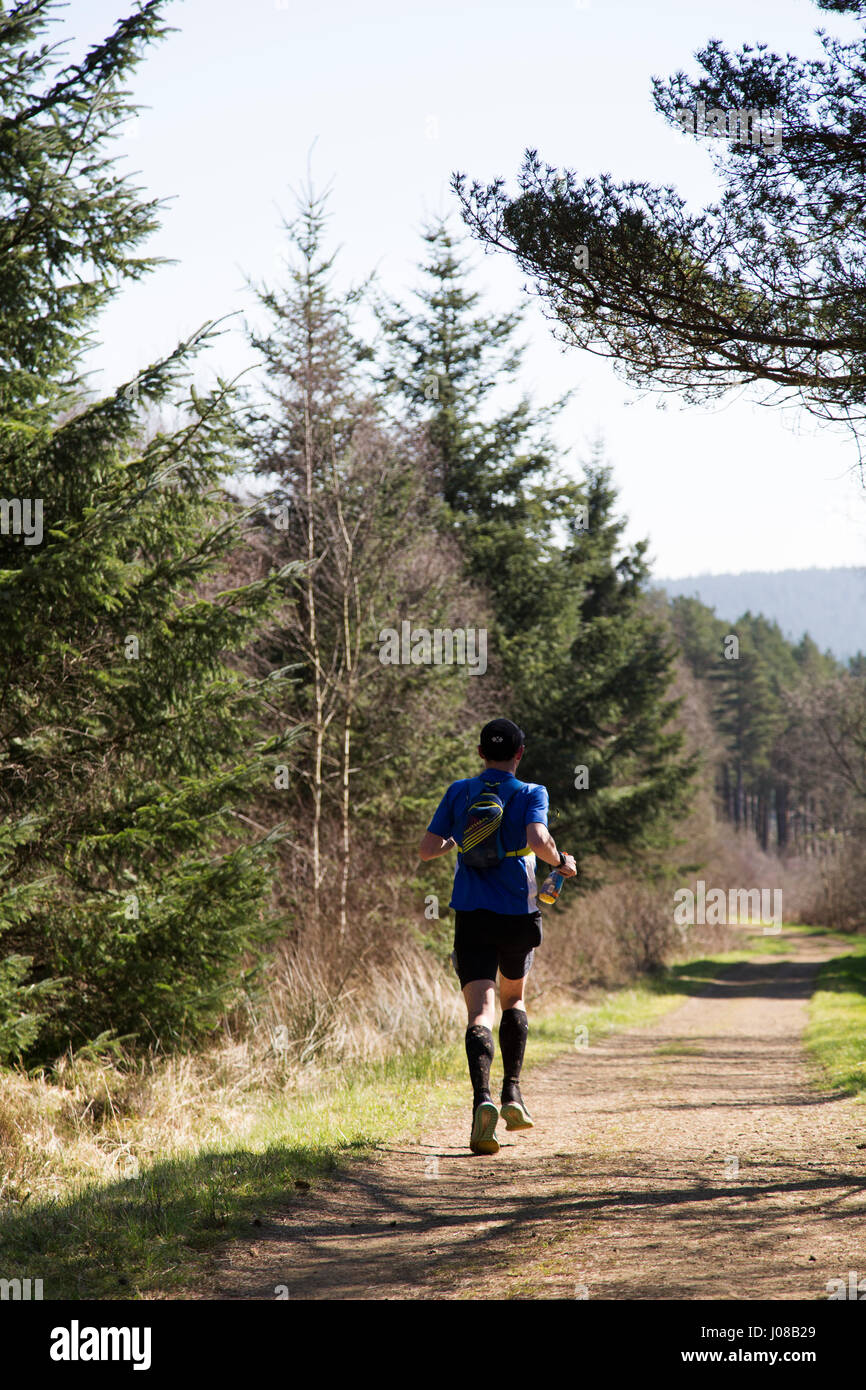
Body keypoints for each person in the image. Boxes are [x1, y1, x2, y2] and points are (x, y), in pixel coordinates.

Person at [418, 718, 577, 1155]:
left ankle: (481, 1102)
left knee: (479, 1010)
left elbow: (428, 848)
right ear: (519, 754)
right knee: (513, 1000)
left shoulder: (459, 791)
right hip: (517, 914)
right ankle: (512, 1094)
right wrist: (561, 859)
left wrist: (458, 840)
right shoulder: (531, 792)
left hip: (471, 912)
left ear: (480, 753)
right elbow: (537, 838)